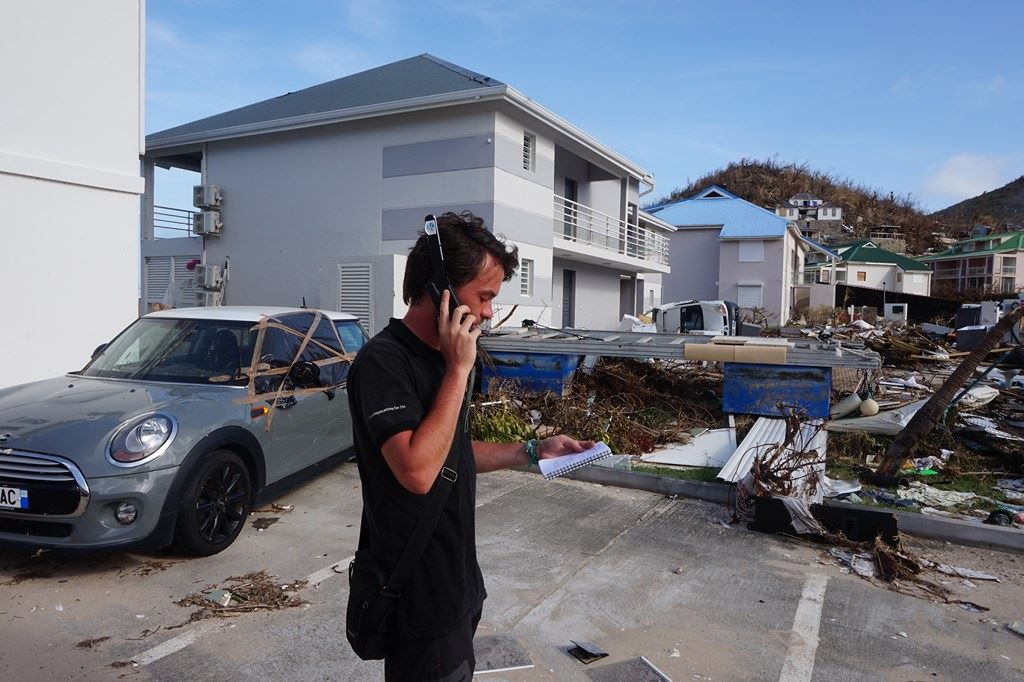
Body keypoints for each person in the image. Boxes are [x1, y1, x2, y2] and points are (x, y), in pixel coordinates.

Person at [347, 211, 594, 680]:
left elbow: (451, 456)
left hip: (459, 587)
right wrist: (458, 371)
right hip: (418, 602)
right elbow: (418, 472)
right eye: (484, 297)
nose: (487, 312)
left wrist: (535, 450)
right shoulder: (384, 362)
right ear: (440, 286)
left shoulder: (448, 359)